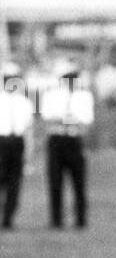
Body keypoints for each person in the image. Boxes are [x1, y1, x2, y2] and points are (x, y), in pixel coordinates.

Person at [40, 63, 94, 230]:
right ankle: (56, 220)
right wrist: (69, 119)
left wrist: (67, 119)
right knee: (55, 182)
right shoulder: (51, 96)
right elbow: (48, 117)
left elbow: (86, 119)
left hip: (74, 140)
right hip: (57, 139)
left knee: (79, 182)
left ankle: (81, 220)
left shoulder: (83, 96)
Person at [0, 62, 33, 230]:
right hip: (1, 142)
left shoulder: (24, 103)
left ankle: (8, 218)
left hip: (17, 143)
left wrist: (29, 155)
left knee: (14, 182)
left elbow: (28, 131)